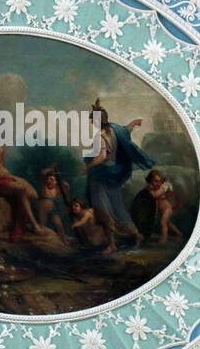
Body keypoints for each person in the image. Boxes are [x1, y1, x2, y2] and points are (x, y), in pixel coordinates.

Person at [82, 101, 152, 254]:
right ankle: (137, 235)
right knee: (118, 207)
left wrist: (87, 167)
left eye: (92, 120)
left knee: (102, 210)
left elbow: (101, 157)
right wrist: (133, 124)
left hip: (102, 176)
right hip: (114, 174)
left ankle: (112, 244)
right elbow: (126, 131)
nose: (91, 122)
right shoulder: (114, 129)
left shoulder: (100, 136)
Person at [144, 169, 183, 244]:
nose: (158, 183)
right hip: (160, 210)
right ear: (150, 181)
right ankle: (179, 233)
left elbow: (155, 195)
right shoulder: (152, 188)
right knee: (168, 223)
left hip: (167, 209)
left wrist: (149, 190)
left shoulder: (162, 188)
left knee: (163, 223)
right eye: (155, 181)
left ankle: (164, 238)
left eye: (160, 181)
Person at [37, 164, 71, 242]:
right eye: (48, 179)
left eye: (52, 179)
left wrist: (62, 182)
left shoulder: (56, 190)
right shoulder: (44, 186)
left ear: (56, 182)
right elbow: (43, 173)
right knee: (42, 225)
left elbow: (67, 187)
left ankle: (63, 240)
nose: (49, 181)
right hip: (43, 207)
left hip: (52, 208)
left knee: (59, 224)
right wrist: (50, 168)